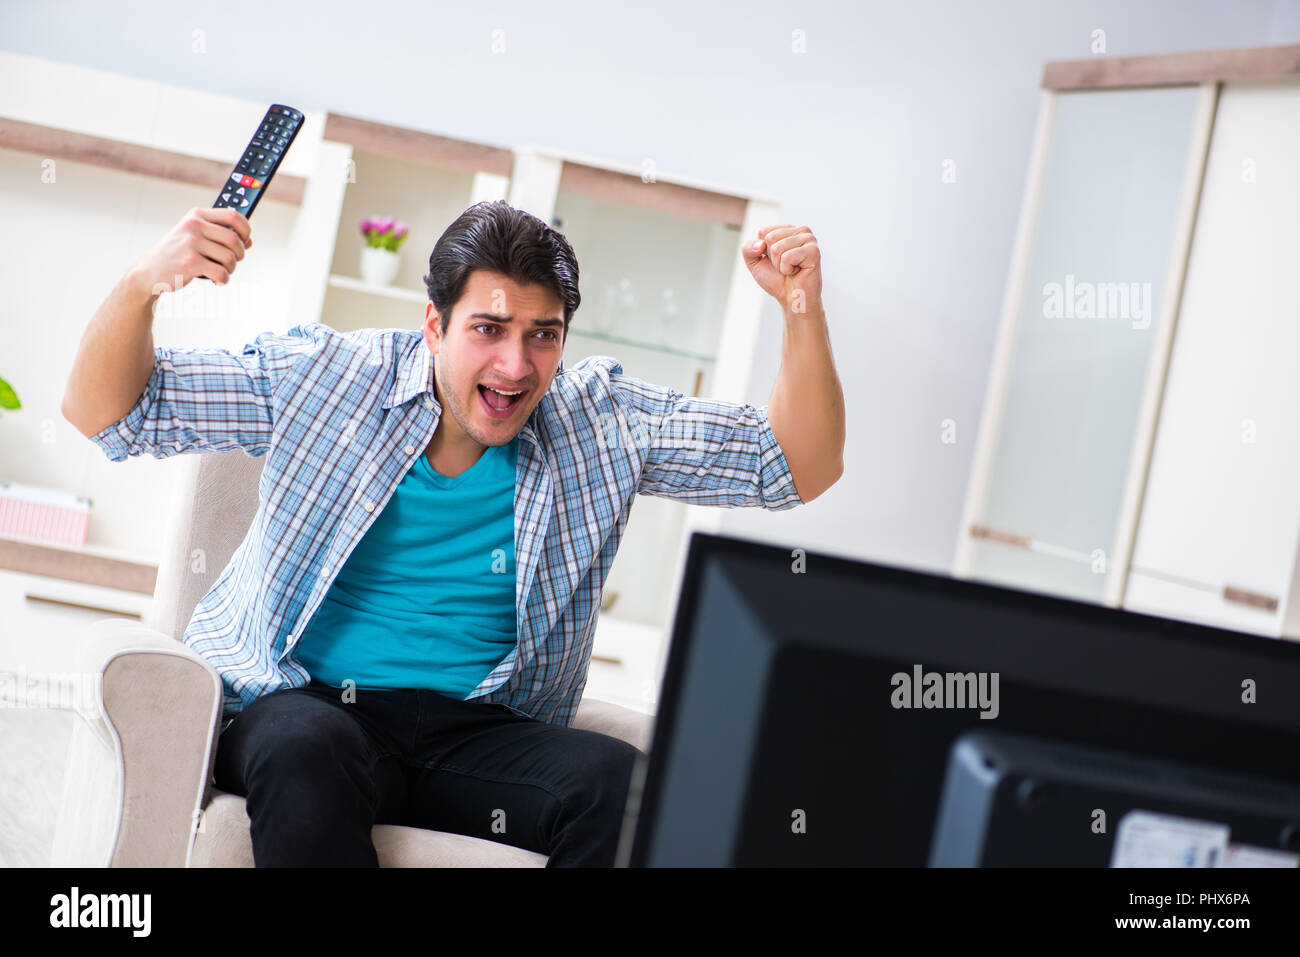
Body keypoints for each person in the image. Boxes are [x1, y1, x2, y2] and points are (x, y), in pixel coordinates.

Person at [61, 200, 846, 866]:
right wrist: (143, 285)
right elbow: (109, 411)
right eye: (490, 328)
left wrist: (799, 307)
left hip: (476, 729)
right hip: (307, 703)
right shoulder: (329, 376)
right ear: (433, 324)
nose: (516, 363)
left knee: (623, 789)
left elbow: (795, 464)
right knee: (307, 752)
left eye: (544, 333)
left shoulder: (598, 420)